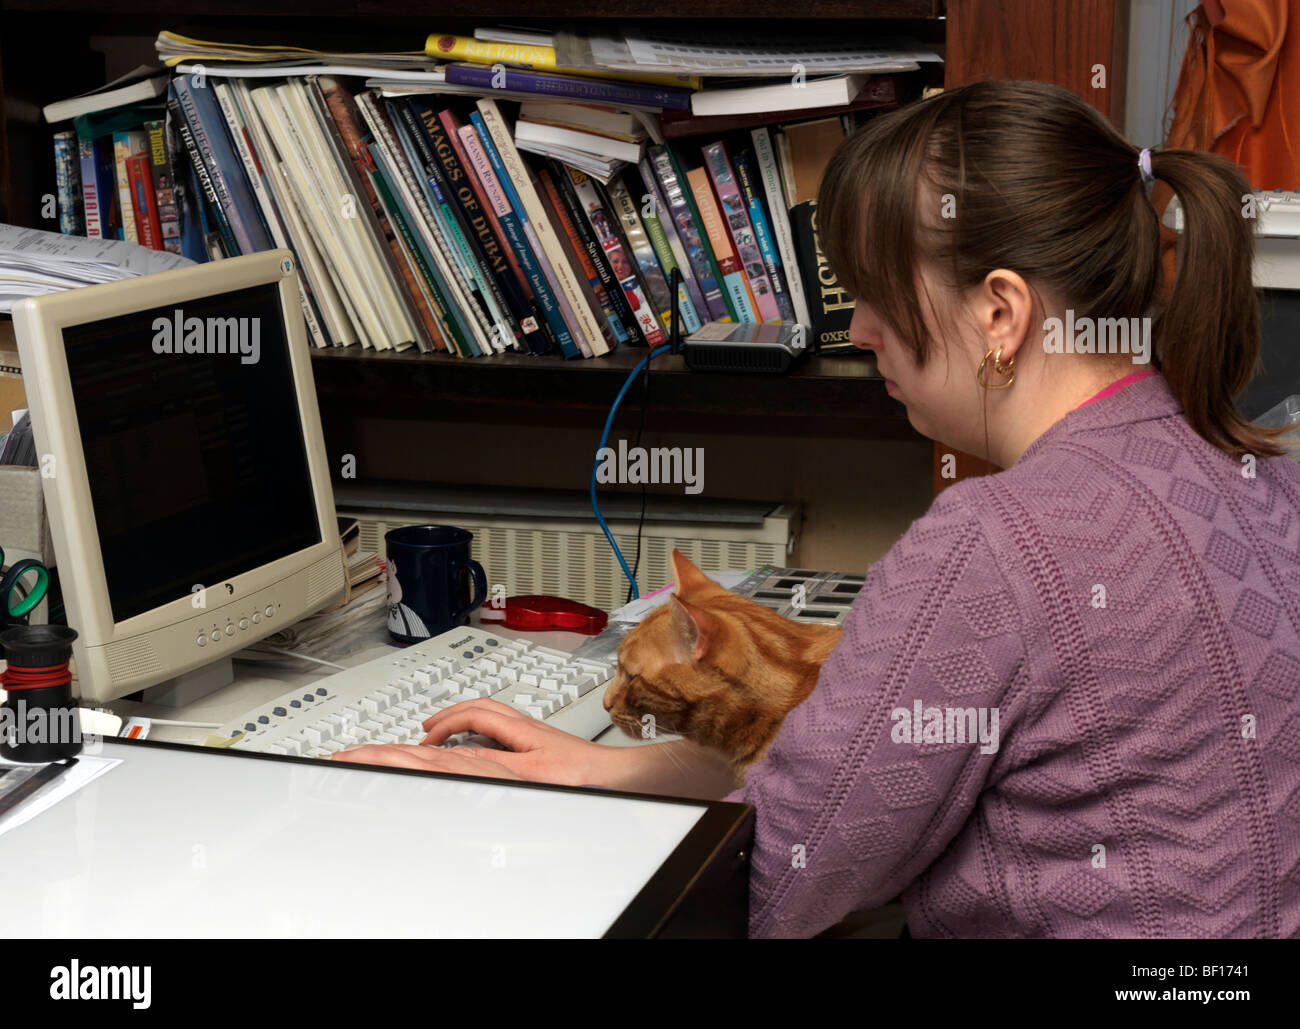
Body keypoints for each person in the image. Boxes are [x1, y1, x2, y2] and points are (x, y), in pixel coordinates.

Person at [335, 81, 1300, 939]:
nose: (860, 330)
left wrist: (510, 823)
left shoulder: (997, 543)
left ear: (1000, 313)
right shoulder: (1261, 479)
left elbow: (786, 882)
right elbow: (852, 772)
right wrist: (599, 768)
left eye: (874, 295)